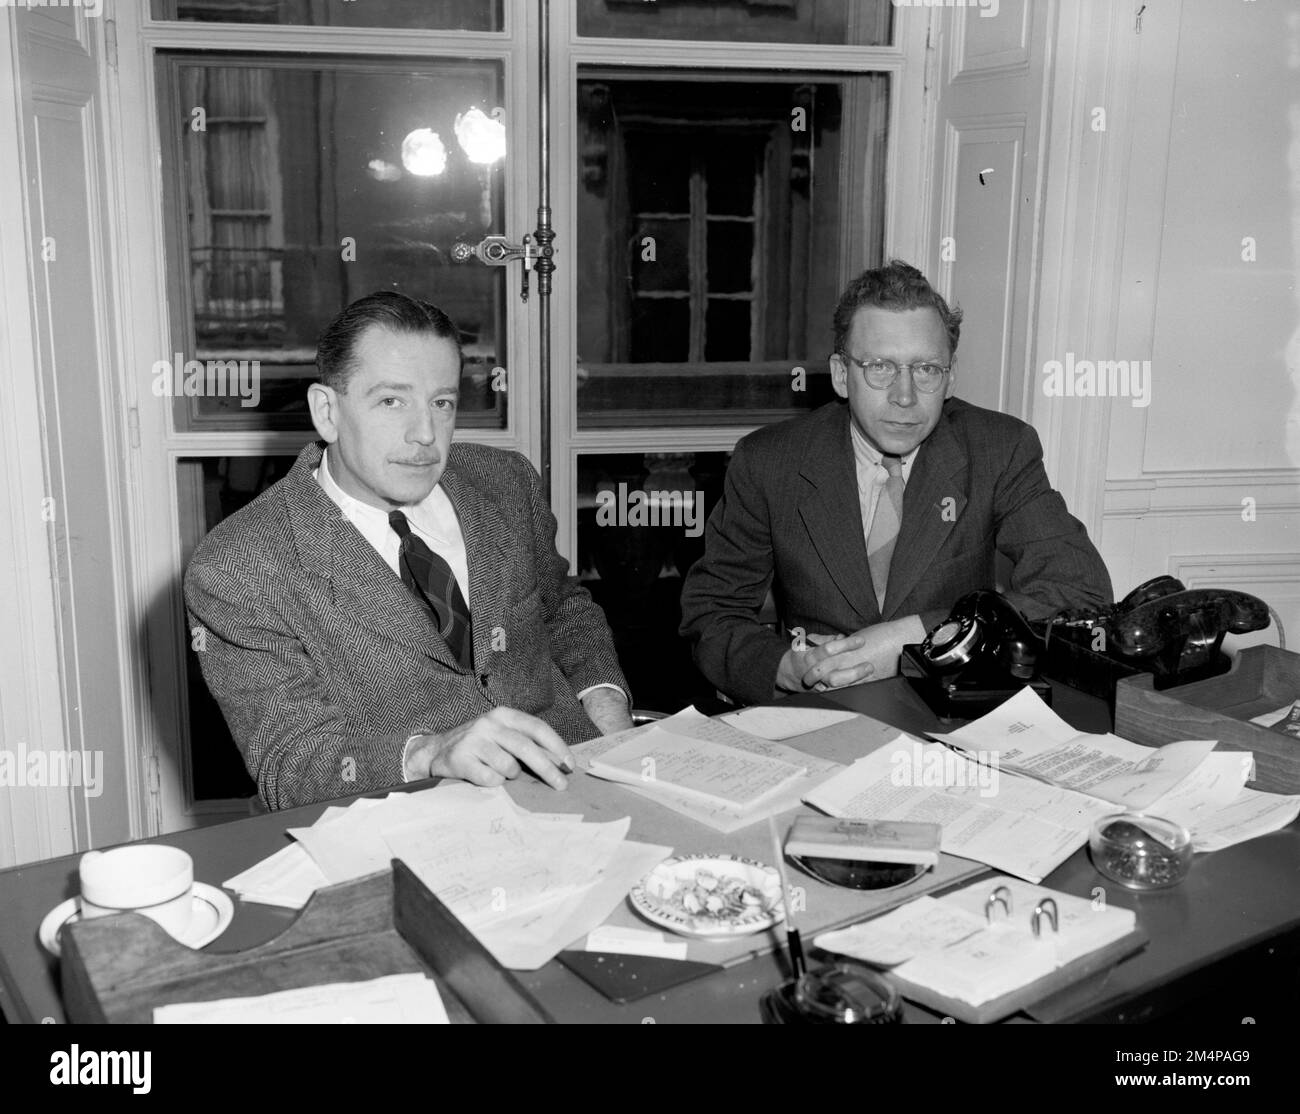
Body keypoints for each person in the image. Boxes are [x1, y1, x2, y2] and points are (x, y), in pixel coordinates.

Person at [185, 292, 632, 809]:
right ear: (326, 411)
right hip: (400, 828)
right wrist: (429, 754)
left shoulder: (506, 482)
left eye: (441, 403)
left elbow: (564, 612)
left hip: (578, 790)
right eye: (391, 401)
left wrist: (607, 712)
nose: (425, 435)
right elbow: (291, 762)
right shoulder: (239, 565)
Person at [679, 260, 1113, 706]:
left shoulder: (999, 449)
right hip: (815, 716)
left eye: (926, 369)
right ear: (842, 374)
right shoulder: (771, 461)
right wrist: (784, 668)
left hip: (951, 715)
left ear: (950, 378)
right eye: (880, 367)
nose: (905, 396)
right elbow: (712, 613)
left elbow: (1080, 592)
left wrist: (916, 636)